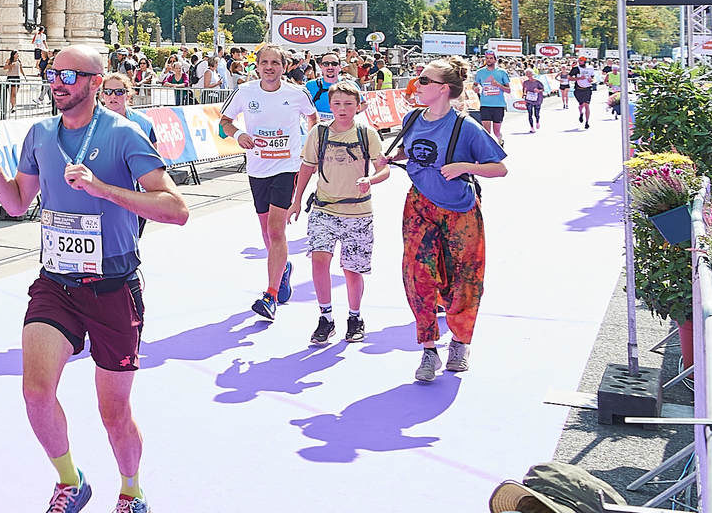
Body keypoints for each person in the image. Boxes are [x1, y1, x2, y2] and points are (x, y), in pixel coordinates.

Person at [0, 46, 188, 513]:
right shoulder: (39, 134)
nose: (57, 82)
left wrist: (101, 189)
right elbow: (15, 205)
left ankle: (131, 489)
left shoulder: (125, 135)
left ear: (96, 83)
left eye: (69, 75)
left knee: (113, 414)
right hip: (56, 281)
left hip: (114, 284)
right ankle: (71, 481)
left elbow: (177, 210)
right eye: (52, 73)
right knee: (35, 393)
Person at [388, 56, 508, 382]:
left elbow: (499, 167)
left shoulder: (466, 127)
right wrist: (388, 156)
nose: (417, 84)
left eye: (424, 80)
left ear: (443, 89)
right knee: (416, 274)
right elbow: (408, 152)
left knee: (464, 279)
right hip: (419, 205)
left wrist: (464, 167)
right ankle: (428, 350)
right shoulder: (412, 118)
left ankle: (460, 342)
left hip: (460, 210)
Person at [218, 44, 318, 321]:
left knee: (276, 231)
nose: (270, 67)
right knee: (267, 234)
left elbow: (313, 119)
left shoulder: (296, 93)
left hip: (287, 168)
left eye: (276, 62)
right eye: (265, 62)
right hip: (257, 169)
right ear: (257, 66)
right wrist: (238, 135)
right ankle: (283, 267)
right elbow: (225, 121)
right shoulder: (245, 92)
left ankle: (270, 295)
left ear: (284, 67)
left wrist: (308, 149)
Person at [289, 80, 390, 345]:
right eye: (336, 104)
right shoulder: (318, 133)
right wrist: (297, 200)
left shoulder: (367, 134)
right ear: (329, 106)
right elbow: (307, 168)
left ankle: (355, 317)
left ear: (358, 106)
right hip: (324, 209)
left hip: (358, 212)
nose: (342, 109)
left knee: (351, 269)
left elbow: (384, 168)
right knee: (319, 259)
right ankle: (326, 317)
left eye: (348, 104)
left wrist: (371, 180)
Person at [471, 50, 512, 143]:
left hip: (498, 105)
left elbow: (509, 90)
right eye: (487, 58)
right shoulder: (480, 72)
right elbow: (474, 85)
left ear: (495, 60)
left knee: (496, 131)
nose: (489, 60)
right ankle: (489, 149)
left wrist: (498, 85)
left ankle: (500, 139)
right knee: (486, 131)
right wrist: (475, 88)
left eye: (491, 58)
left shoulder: (502, 72)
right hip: (485, 104)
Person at [573, 58, 599, 128]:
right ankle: (581, 113)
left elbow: (593, 77)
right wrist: (579, 78)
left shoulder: (590, 68)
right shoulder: (576, 68)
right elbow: (569, 78)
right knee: (581, 105)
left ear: (585, 61)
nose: (580, 62)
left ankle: (587, 122)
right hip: (578, 90)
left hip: (587, 89)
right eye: (579, 61)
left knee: (587, 105)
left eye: (581, 61)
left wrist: (591, 80)